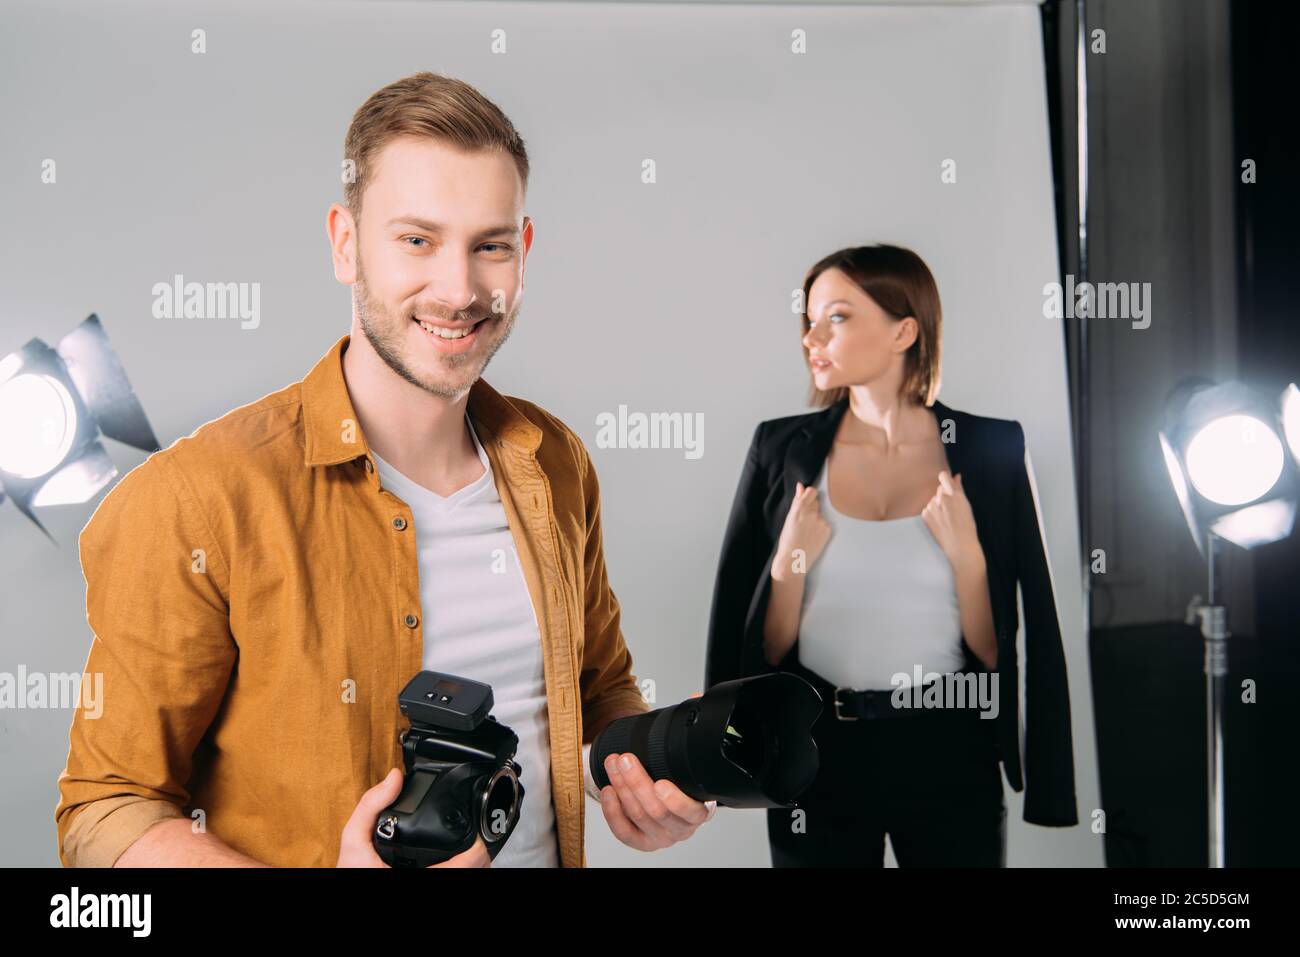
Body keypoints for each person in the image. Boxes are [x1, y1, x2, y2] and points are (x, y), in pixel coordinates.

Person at [54, 72, 712, 868]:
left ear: (523, 251)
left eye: (490, 245)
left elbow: (600, 685)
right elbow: (107, 810)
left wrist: (650, 767)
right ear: (345, 243)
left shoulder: (556, 461)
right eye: (417, 239)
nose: (460, 288)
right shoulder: (199, 496)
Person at [704, 244, 1078, 867]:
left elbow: (997, 650)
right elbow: (761, 649)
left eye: (839, 317)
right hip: (816, 751)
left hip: (949, 751)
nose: (811, 336)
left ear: (904, 329)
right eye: (810, 318)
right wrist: (788, 564)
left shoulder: (989, 448)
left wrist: (969, 560)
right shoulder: (780, 449)